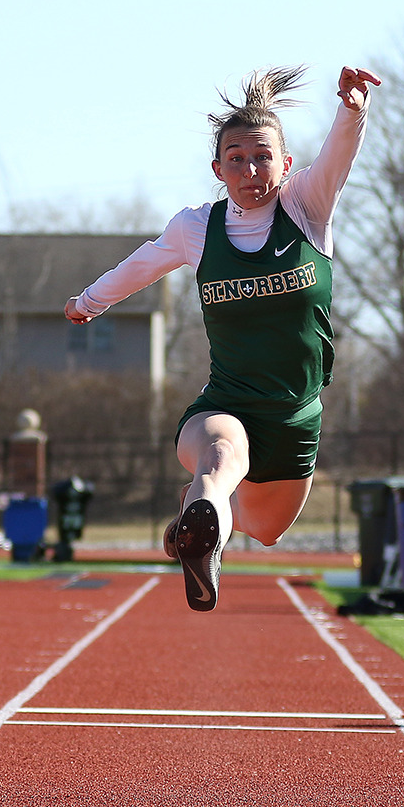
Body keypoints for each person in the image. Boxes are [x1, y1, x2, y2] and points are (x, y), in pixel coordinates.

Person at [65, 65, 381, 611]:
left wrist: (353, 107)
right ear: (218, 168)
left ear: (285, 165)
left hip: (295, 414)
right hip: (225, 402)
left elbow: (339, 153)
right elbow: (144, 263)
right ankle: (204, 525)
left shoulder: (305, 205)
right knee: (220, 454)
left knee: (265, 529)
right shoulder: (198, 227)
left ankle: (192, 521)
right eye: (236, 159)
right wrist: (88, 301)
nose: (250, 170)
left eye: (263, 157)